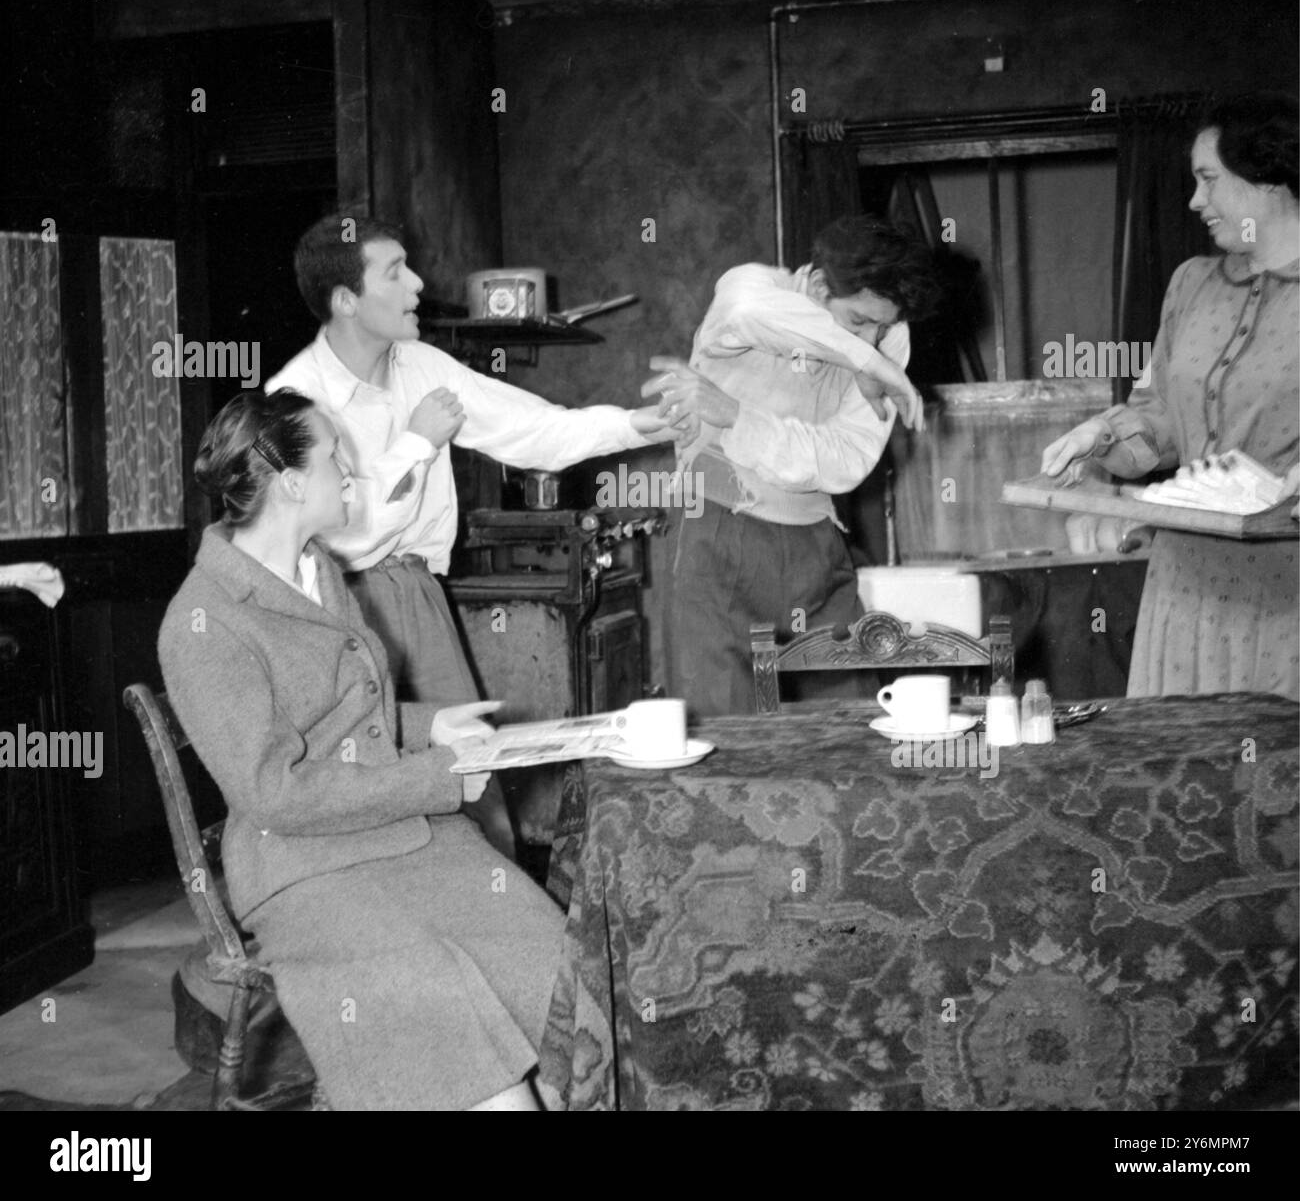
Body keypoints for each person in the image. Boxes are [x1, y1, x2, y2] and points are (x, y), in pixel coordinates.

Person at [159, 390, 563, 1110]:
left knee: (548, 947)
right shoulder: (202, 621)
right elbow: (276, 792)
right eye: (337, 459)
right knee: (430, 987)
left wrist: (431, 726)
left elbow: (341, 721)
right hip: (301, 869)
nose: (352, 473)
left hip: (393, 834)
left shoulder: (319, 569)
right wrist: (439, 779)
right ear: (290, 485)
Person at [267, 215, 684, 857]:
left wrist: (641, 425)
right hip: (337, 606)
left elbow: (534, 430)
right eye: (395, 272)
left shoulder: (420, 366)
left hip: (414, 596)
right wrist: (416, 442)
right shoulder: (294, 396)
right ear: (346, 301)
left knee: (471, 783)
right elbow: (332, 533)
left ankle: (492, 928)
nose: (418, 283)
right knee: (367, 789)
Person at [1042, 93, 1299, 700]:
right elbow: (1159, 417)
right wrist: (1100, 436)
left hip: (1288, 580)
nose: (1195, 201)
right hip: (1184, 578)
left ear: (1267, 180)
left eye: (1209, 179)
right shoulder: (1191, 283)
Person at [645, 215, 938, 717]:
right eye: (858, 322)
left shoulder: (886, 338)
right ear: (819, 284)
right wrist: (868, 365)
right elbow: (751, 313)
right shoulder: (752, 288)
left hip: (814, 545)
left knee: (859, 723)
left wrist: (736, 417)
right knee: (724, 735)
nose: (871, 339)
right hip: (716, 533)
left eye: (882, 327)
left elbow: (846, 461)